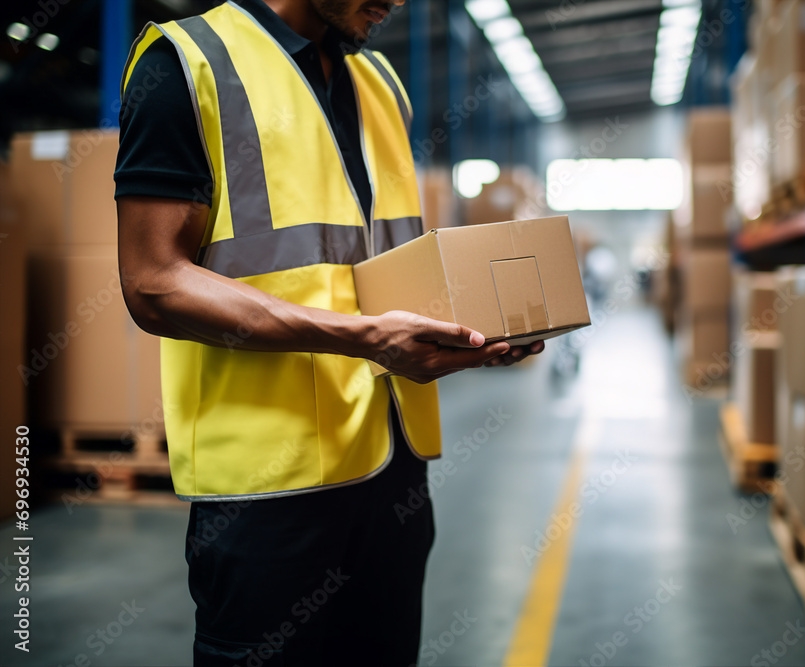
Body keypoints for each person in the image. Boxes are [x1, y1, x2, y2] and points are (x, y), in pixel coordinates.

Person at [114, 0, 542, 663]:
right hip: (268, 486)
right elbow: (153, 282)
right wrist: (364, 338)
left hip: (394, 470)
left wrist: (473, 332)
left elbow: (377, 258)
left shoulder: (380, 82)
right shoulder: (186, 63)